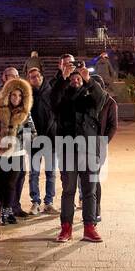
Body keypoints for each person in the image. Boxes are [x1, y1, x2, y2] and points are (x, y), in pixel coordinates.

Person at [51, 66, 103, 243]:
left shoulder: (90, 97)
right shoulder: (62, 98)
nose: (75, 80)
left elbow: (101, 98)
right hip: (68, 150)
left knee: (90, 190)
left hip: (88, 150)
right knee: (68, 190)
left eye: (78, 78)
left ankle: (90, 227)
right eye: (72, 78)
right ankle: (66, 228)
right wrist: (62, 79)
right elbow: (52, 100)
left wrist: (89, 79)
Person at [0, 75, 35, 225]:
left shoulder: (25, 113)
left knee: (11, 183)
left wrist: (21, 137)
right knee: (1, 183)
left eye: (19, 95)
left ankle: (6, 210)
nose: (16, 98)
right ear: (8, 95)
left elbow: (32, 132)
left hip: (16, 152)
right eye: (13, 95)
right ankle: (6, 212)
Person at [0, 67, 27, 216]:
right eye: (11, 75)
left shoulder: (22, 92)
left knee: (20, 174)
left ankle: (15, 205)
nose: (14, 78)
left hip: (18, 143)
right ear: (4, 77)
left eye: (16, 75)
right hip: (1, 144)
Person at [26, 66, 56, 215]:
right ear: (29, 80)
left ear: (42, 76)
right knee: (34, 173)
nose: (35, 79)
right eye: (32, 77)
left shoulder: (51, 91)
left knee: (51, 172)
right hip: (34, 140)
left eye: (37, 76)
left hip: (50, 138)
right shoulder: (27, 95)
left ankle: (49, 202)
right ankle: (35, 202)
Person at [95, 84, 119, 223]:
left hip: (99, 145)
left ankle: (96, 209)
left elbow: (113, 126)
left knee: (94, 178)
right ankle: (88, 206)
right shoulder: (87, 99)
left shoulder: (110, 102)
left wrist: (104, 142)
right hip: (82, 144)